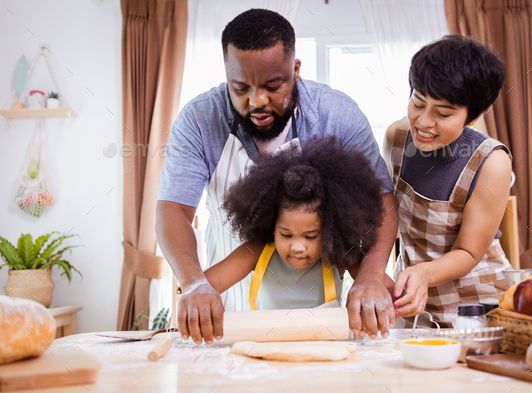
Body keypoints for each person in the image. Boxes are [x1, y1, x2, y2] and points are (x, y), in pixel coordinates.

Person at [156, 8, 398, 344]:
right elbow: (173, 210)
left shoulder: (336, 114)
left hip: (319, 330)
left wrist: (370, 273)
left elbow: (382, 201)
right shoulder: (199, 119)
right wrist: (195, 282)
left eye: (272, 86)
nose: (257, 101)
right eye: (239, 87)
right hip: (223, 317)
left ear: (295, 70)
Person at [194, 137, 396, 340]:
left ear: (330, 230)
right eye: (286, 234)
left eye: (311, 236)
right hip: (266, 359)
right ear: (271, 227)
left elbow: (383, 288)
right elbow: (204, 287)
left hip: (326, 361)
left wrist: (399, 298)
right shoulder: (256, 251)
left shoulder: (337, 256)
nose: (298, 247)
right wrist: (197, 298)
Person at [383, 35, 512, 328]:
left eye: (443, 113)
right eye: (417, 102)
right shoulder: (397, 138)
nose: (423, 122)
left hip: (477, 306)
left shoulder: (491, 162)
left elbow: (469, 251)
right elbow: (388, 213)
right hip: (417, 300)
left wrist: (425, 274)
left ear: (474, 116)